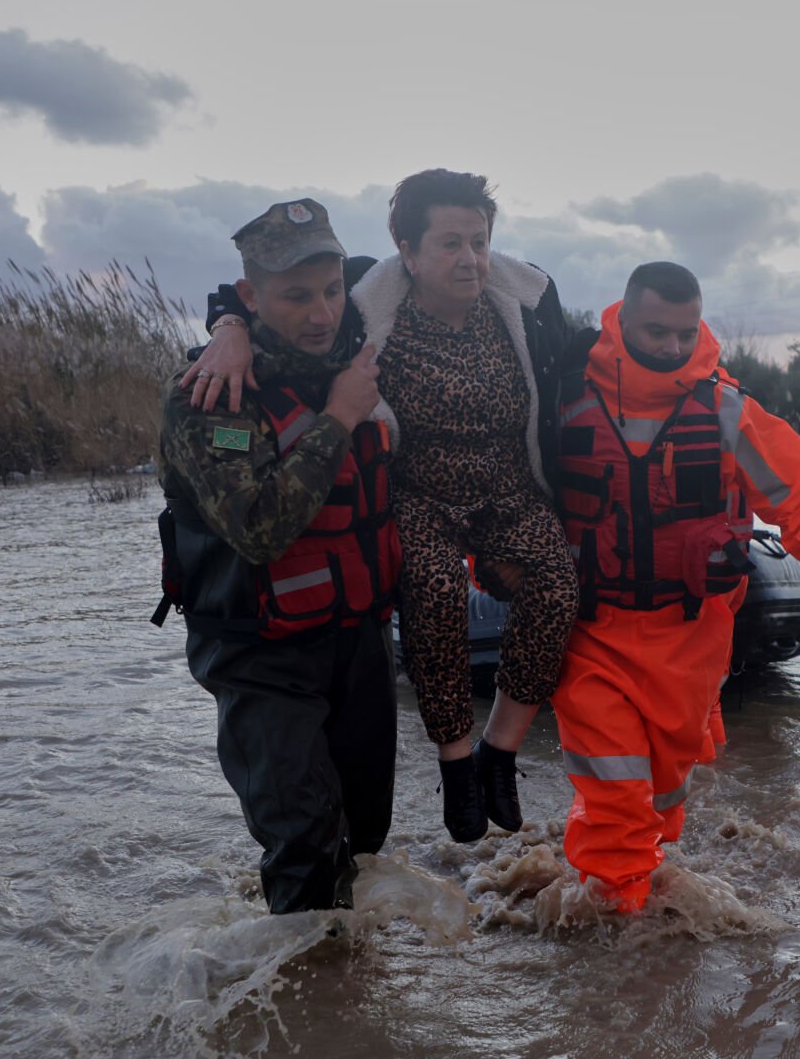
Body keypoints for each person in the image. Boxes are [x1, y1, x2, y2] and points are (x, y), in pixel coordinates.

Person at [185, 170, 579, 845]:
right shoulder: (365, 304)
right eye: (449, 243)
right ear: (407, 247)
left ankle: (499, 752)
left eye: (479, 242)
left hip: (508, 487)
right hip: (418, 492)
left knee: (557, 580)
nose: (469, 259)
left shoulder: (529, 301)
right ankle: (455, 765)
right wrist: (228, 327)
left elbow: (589, 353)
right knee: (431, 583)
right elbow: (263, 301)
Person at [544, 262, 800, 912]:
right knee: (615, 794)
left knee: (664, 795)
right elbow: (511, 493)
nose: (674, 347)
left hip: (691, 638)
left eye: (685, 332)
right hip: (590, 629)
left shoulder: (725, 409)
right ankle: (621, 947)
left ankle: (632, 883)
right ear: (620, 318)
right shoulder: (563, 393)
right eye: (657, 331)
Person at [155, 198, 399, 912]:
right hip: (259, 655)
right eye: (297, 296)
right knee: (302, 845)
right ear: (252, 296)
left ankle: (352, 1002)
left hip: (355, 641)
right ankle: (306, 1004)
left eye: (330, 291)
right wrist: (340, 418)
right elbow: (261, 528)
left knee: (364, 837)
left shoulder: (349, 346)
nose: (321, 313)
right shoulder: (209, 393)